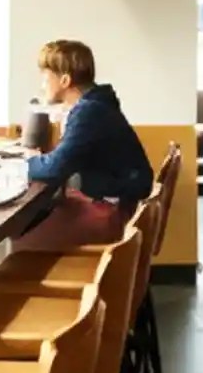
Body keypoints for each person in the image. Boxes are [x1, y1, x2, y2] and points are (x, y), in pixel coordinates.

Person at [16, 40, 153, 248]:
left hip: (110, 212)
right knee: (36, 218)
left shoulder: (89, 111)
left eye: (45, 78)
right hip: (116, 204)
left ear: (64, 80)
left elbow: (55, 168)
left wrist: (20, 166)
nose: (42, 86)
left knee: (17, 244)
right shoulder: (95, 105)